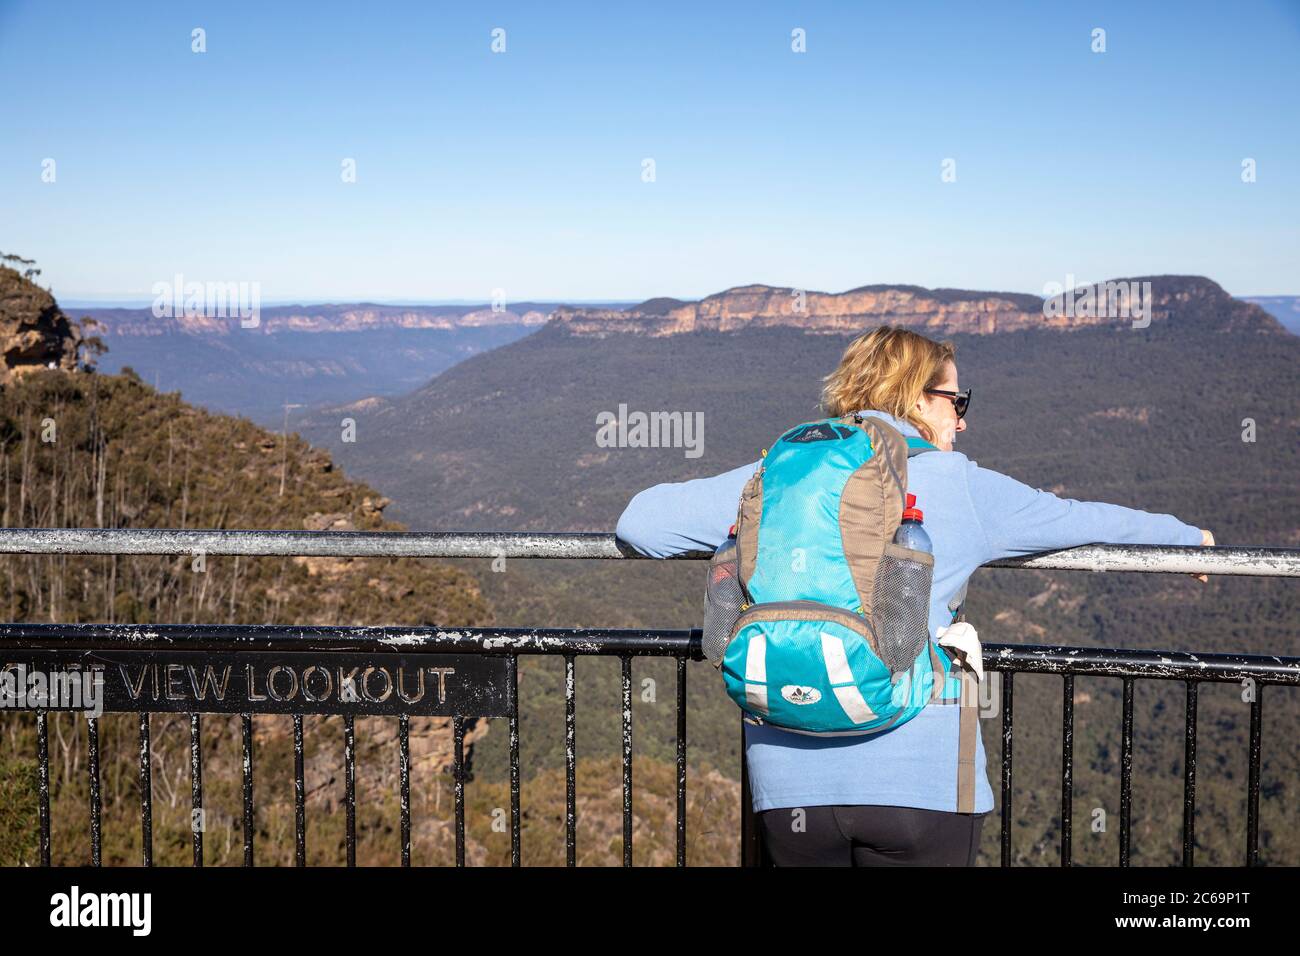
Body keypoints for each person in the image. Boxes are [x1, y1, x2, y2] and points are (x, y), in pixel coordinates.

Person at [614, 326, 1214, 866]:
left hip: (788, 786)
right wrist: (1187, 541)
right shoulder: (962, 484)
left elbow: (640, 525)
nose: (963, 419)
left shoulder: (776, 475)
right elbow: (1082, 519)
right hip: (920, 785)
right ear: (919, 399)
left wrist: (758, 495)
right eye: (958, 401)